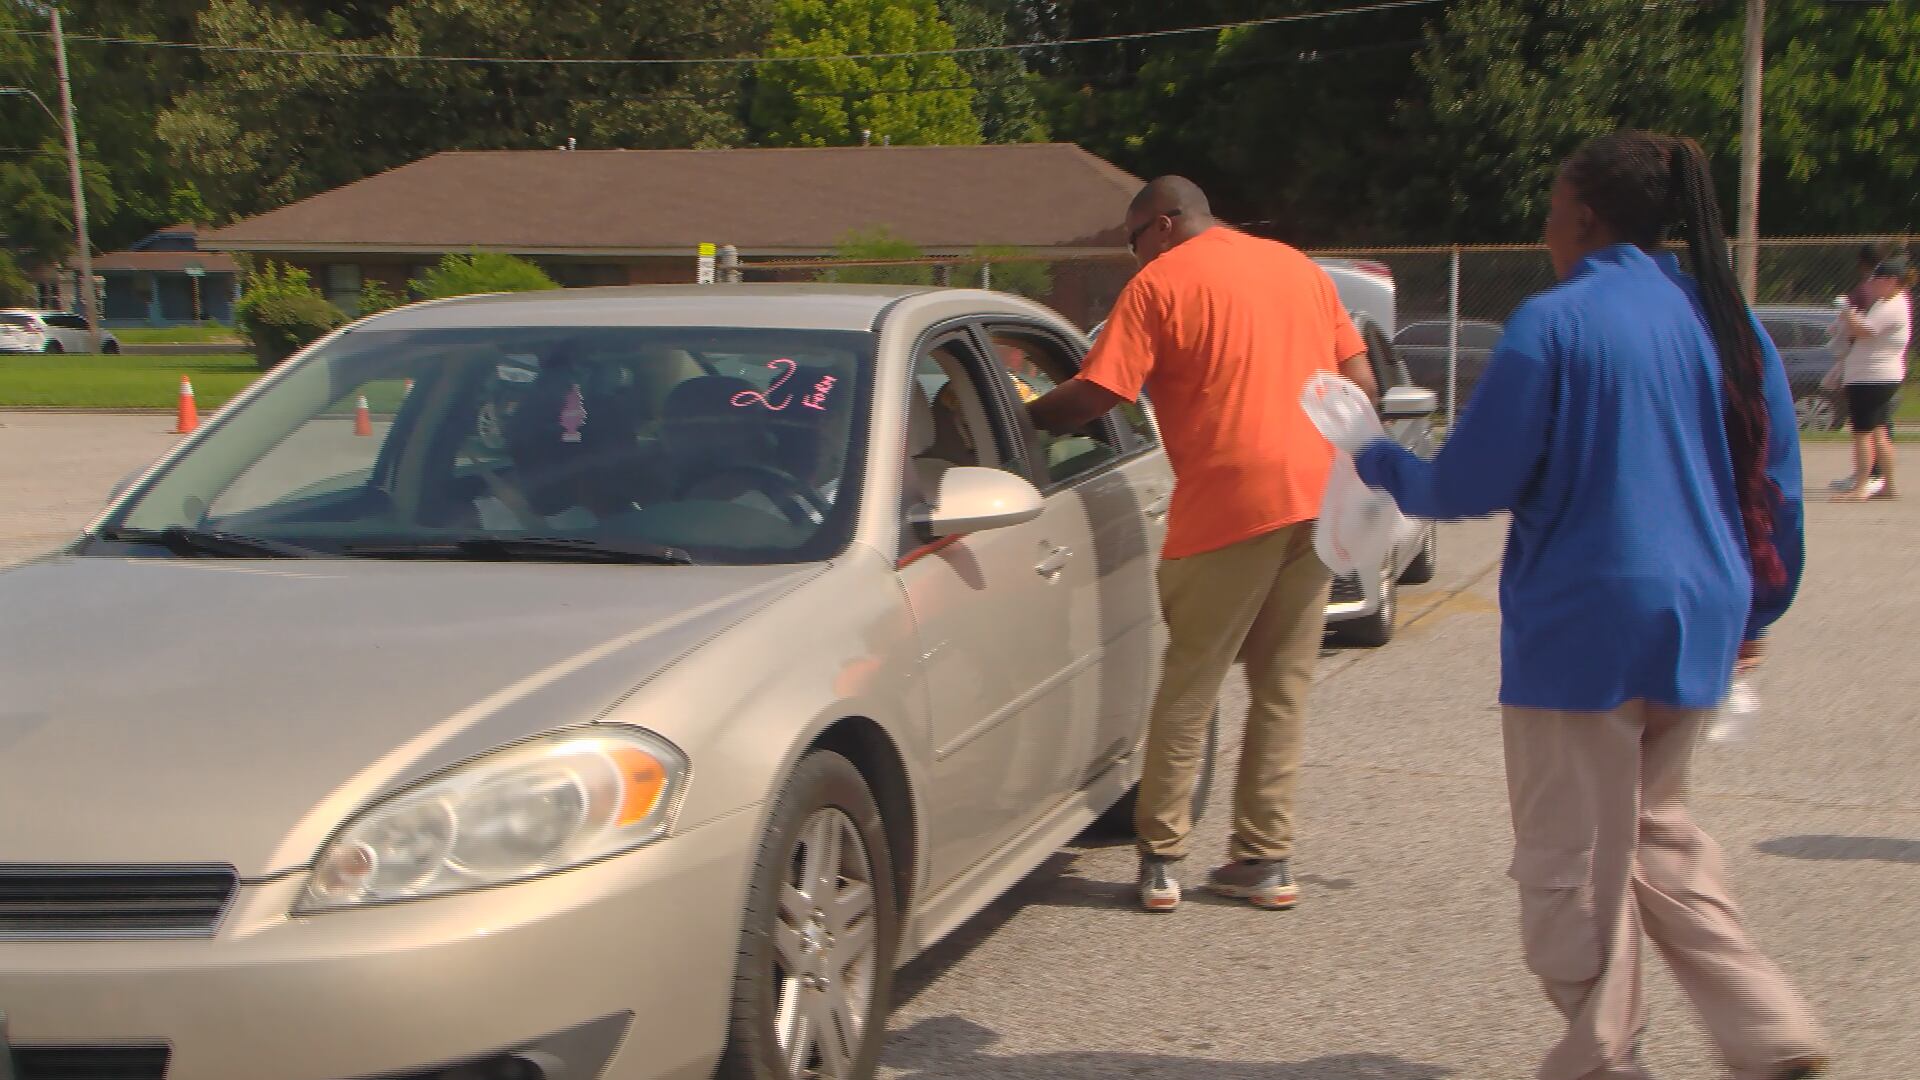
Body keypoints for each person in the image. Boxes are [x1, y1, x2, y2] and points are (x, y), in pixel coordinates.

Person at [1353, 131, 1825, 1080]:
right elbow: (1776, 481)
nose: (1545, 228)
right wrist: (1756, 615)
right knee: (1654, 832)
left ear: (1589, 217)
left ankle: (1602, 1056)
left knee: (1566, 862)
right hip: (1700, 612)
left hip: (1583, 624)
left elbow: (1470, 481)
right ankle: (1768, 1031)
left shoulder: (1557, 320)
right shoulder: (1728, 320)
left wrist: (1370, 456)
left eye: (1554, 211)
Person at [1026, 176, 1376, 913]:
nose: (1134, 257)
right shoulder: (1299, 268)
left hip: (1227, 503)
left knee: (1191, 684)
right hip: (1318, 498)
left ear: (1161, 224)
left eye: (1132, 242)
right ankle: (1264, 859)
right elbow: (1360, 377)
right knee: (1282, 688)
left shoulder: (1162, 283)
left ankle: (1161, 860)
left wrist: (1022, 417)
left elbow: (1100, 394)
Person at [1829, 252, 1909, 502]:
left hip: (1872, 377)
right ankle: (1889, 485)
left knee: (1862, 433)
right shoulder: (1889, 302)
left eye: (1877, 280)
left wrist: (1847, 311)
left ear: (1892, 280)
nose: (1872, 284)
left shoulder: (1892, 305)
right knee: (1879, 432)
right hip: (1878, 375)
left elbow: (1864, 331)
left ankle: (1861, 486)